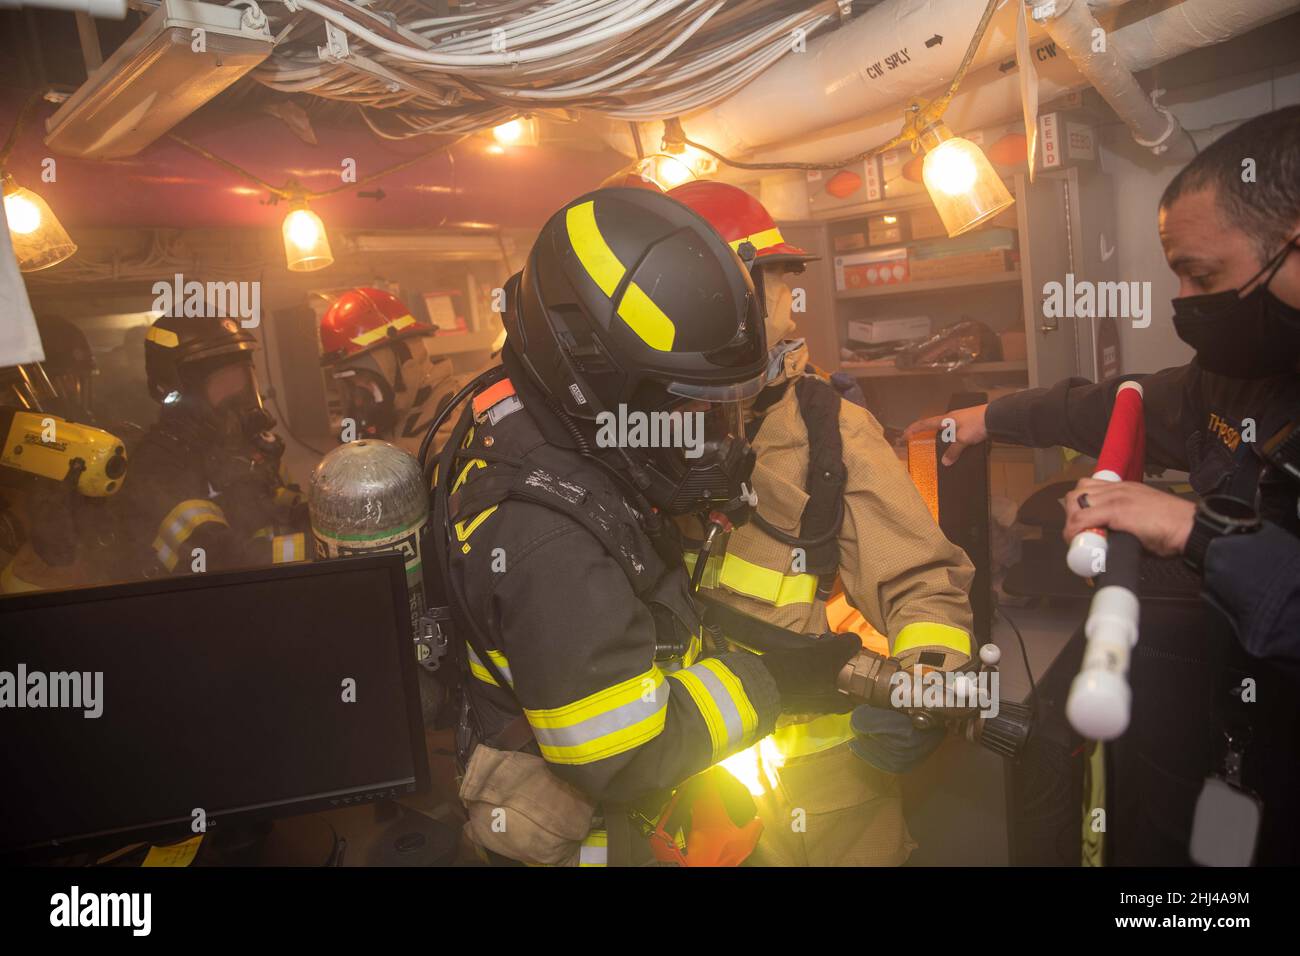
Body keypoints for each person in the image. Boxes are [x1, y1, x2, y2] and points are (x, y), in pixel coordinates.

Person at [904, 104, 1300, 863]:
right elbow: (1125, 402)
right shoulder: (1240, 377)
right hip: (1233, 729)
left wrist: (1190, 530)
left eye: (1203, 275)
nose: (1184, 302)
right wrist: (990, 415)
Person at [427, 187, 862, 867]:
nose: (716, 443)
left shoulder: (548, 426)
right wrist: (768, 683)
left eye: (726, 413)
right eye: (685, 412)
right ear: (596, 384)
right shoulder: (550, 536)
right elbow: (617, 749)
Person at [669, 180, 976, 865]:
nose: (786, 302)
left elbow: (920, 581)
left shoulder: (829, 428)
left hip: (831, 776)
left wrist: (925, 685)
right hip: (687, 768)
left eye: (783, 283)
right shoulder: (635, 437)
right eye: (774, 281)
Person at [118, 315, 308, 579]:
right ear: (180, 393)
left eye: (244, 379)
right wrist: (318, 549)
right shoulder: (158, 468)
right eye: (225, 382)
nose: (240, 396)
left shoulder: (240, 450)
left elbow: (274, 506)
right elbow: (221, 560)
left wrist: (323, 518)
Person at [318, 286, 467, 455]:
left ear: (404, 359)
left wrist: (373, 453)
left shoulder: (460, 407)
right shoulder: (393, 418)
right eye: (352, 389)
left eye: (367, 382)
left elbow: (441, 456)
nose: (359, 402)